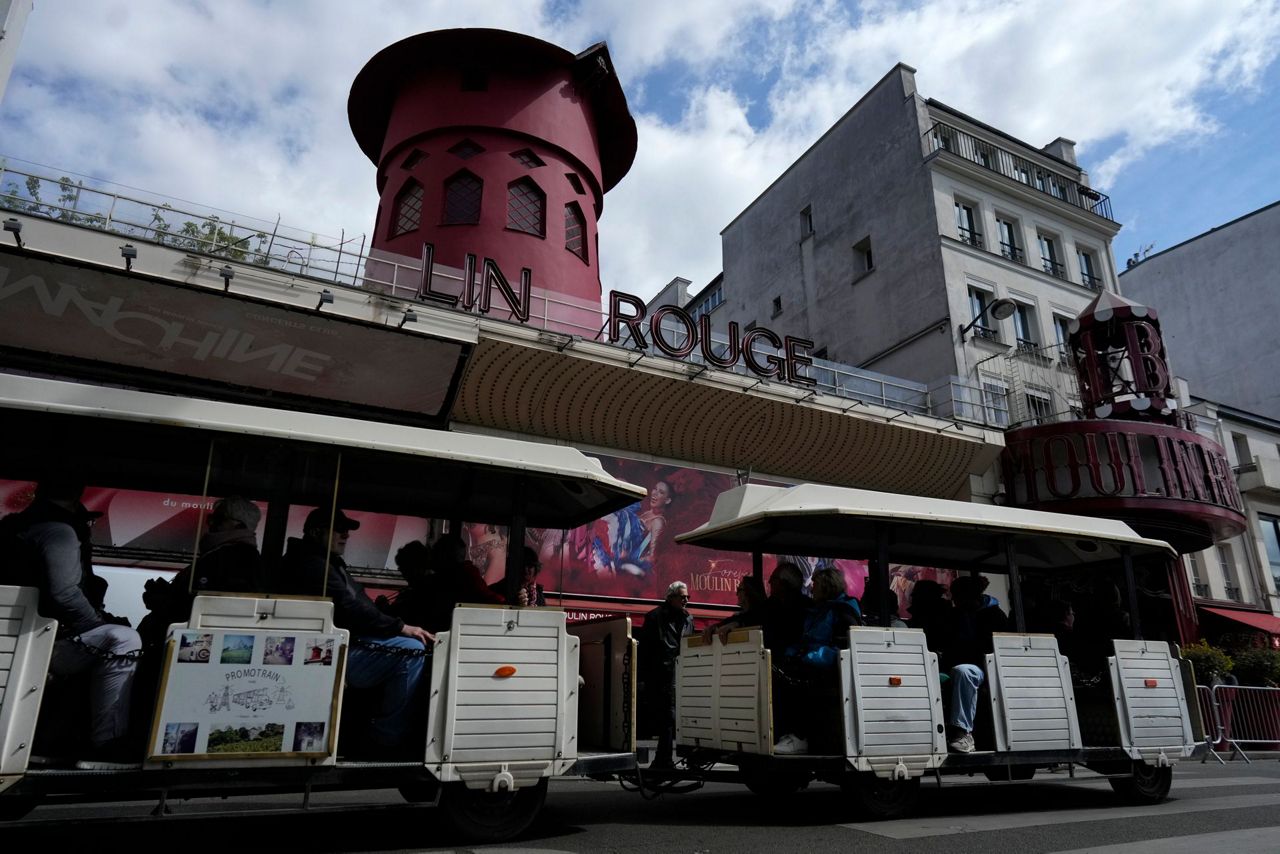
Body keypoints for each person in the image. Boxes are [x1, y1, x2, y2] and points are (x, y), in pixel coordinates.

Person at [0, 479, 141, 768]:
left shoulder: (16, 526)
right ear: (78, 498)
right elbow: (64, 593)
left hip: (15, 636)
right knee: (124, 639)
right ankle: (106, 746)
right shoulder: (59, 531)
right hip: (37, 641)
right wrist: (93, 622)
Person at [282, 508, 434, 756]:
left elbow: (358, 604)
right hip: (327, 650)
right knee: (413, 651)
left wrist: (387, 618)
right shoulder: (314, 564)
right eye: (339, 530)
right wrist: (401, 627)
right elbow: (350, 606)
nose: (346, 535)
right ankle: (387, 738)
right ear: (316, 532)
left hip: (335, 642)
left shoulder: (324, 561)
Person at [938, 575, 1010, 754]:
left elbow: (998, 650)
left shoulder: (995, 616)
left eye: (957, 597)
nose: (954, 601)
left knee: (964, 671)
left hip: (986, 667)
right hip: (954, 665)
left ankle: (963, 732)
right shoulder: (955, 614)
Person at [638, 580, 694, 768]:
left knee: (671, 717)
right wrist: (644, 677)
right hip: (661, 674)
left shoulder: (688, 618)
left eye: (688, 597)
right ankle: (664, 759)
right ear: (671, 598)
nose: (686, 600)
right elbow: (645, 649)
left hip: (680, 673)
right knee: (666, 717)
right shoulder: (654, 617)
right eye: (682, 597)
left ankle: (665, 759)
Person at [704, 575, 766, 642]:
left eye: (739, 590)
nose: (736, 594)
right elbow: (732, 620)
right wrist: (715, 626)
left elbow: (754, 620)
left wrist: (737, 624)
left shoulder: (764, 612)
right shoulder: (740, 615)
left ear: (748, 592)